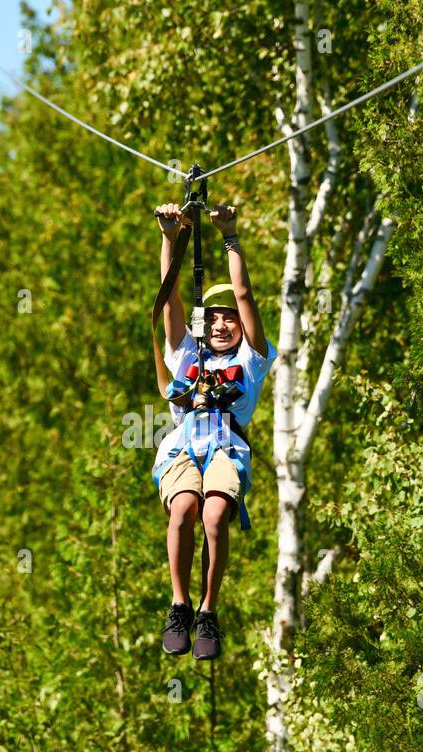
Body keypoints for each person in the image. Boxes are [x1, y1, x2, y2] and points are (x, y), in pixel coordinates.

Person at [152, 202, 277, 660]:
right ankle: (180, 602)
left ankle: (208, 610)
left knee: (213, 515)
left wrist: (229, 235)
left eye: (231, 319)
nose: (223, 324)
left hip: (226, 446)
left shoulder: (251, 360)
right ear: (203, 326)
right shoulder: (186, 352)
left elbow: (244, 295)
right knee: (184, 509)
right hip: (184, 445)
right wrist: (171, 238)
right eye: (215, 318)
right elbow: (170, 300)